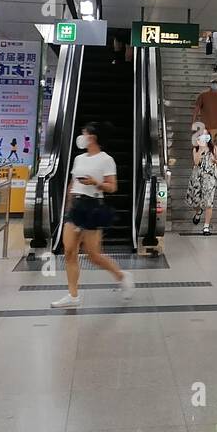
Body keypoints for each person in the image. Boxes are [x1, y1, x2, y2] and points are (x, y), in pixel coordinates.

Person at [51, 122, 135, 309]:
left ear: (93, 137)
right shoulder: (79, 159)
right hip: (76, 206)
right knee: (69, 250)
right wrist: (68, 204)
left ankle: (122, 276)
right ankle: (73, 295)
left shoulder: (106, 160)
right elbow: (72, 184)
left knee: (93, 254)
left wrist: (95, 182)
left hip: (93, 206)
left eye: (84, 133)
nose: (81, 136)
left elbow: (112, 187)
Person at [186, 121, 217, 235]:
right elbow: (196, 162)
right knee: (195, 202)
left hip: (210, 178)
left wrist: (214, 160)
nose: (205, 137)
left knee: (209, 203)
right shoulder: (196, 149)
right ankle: (198, 212)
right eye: (202, 134)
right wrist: (201, 149)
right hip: (197, 177)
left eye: (206, 134)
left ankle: (206, 226)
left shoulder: (214, 148)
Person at [192, 77, 217, 148]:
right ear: (210, 83)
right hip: (206, 128)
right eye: (213, 82)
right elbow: (196, 109)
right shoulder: (203, 96)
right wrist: (194, 122)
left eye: (216, 82)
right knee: (206, 148)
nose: (215, 84)